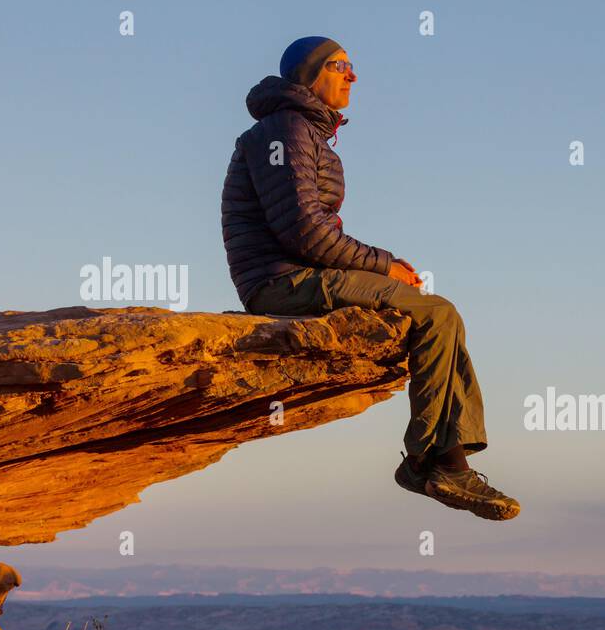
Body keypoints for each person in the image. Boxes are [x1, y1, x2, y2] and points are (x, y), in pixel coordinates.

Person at [221, 36, 519, 521]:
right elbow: (302, 231)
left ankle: (442, 461)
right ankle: (438, 464)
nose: (352, 76)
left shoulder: (300, 130)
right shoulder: (283, 131)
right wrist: (383, 265)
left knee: (438, 315)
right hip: (282, 282)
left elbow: (308, 230)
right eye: (340, 66)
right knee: (436, 313)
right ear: (309, 74)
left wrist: (382, 265)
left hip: (299, 273)